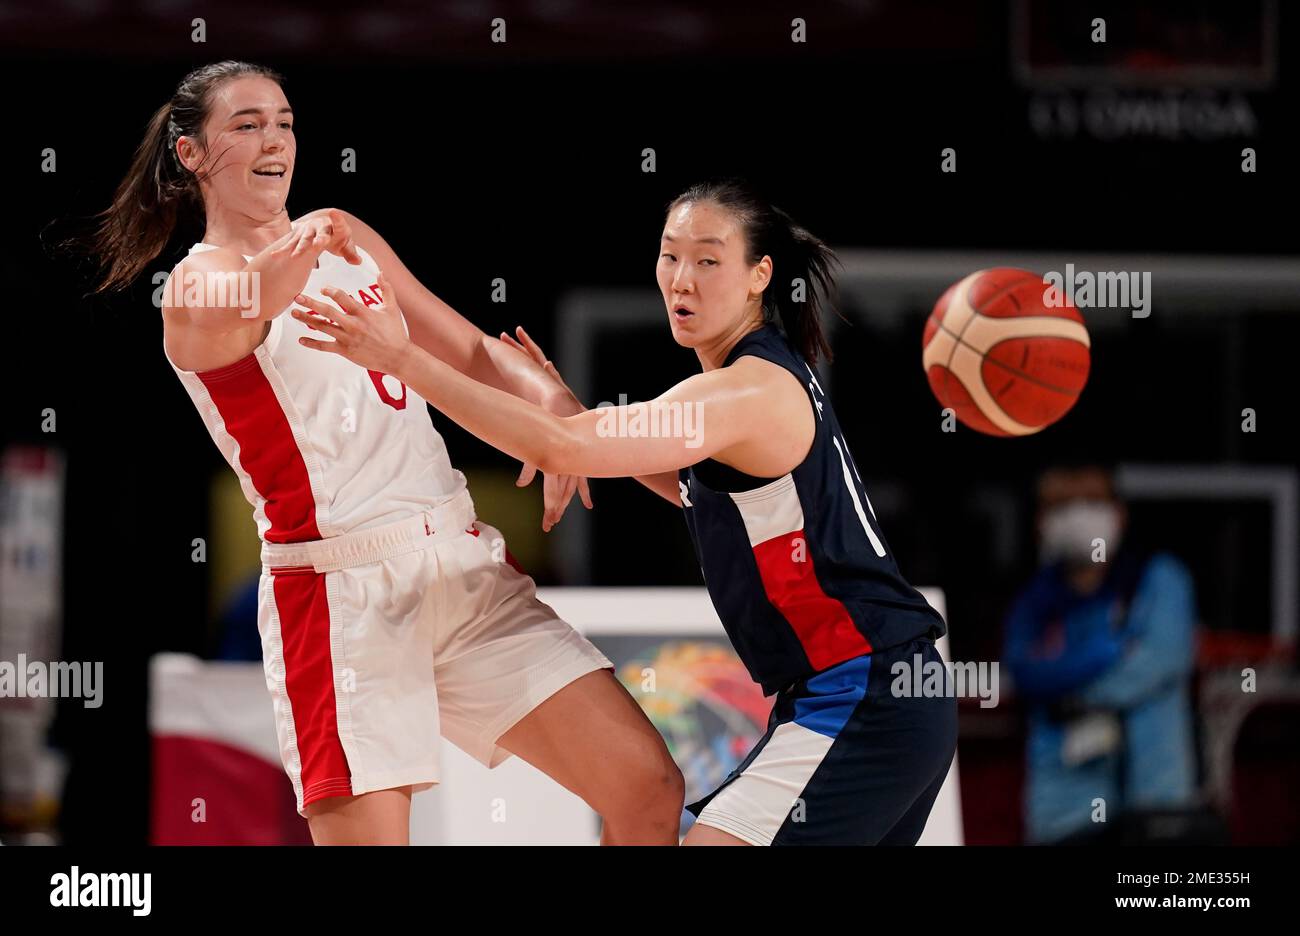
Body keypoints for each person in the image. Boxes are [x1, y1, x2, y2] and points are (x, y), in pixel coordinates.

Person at [87, 60, 683, 845]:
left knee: (648, 785)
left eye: (285, 123)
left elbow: (470, 350)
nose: (275, 139)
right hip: (340, 598)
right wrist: (305, 237)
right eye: (247, 124)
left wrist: (555, 411)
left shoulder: (344, 237)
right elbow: (256, 294)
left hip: (458, 563)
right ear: (192, 155)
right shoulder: (198, 287)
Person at [294, 178, 958, 845]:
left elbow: (560, 445)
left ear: (760, 275)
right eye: (671, 256)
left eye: (708, 260)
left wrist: (399, 358)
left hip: (867, 694)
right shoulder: (751, 380)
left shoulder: (745, 390)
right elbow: (680, 480)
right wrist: (569, 417)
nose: (683, 279)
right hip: (872, 695)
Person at [1003, 464, 1199, 843]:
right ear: (1041, 522)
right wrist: (1107, 649)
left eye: (1091, 501)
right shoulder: (1032, 604)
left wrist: (1073, 692)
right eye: (1062, 505)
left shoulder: (1159, 578)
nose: (1078, 515)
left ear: (1119, 513)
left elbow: (1160, 661)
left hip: (1157, 802)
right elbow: (1026, 673)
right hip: (1065, 813)